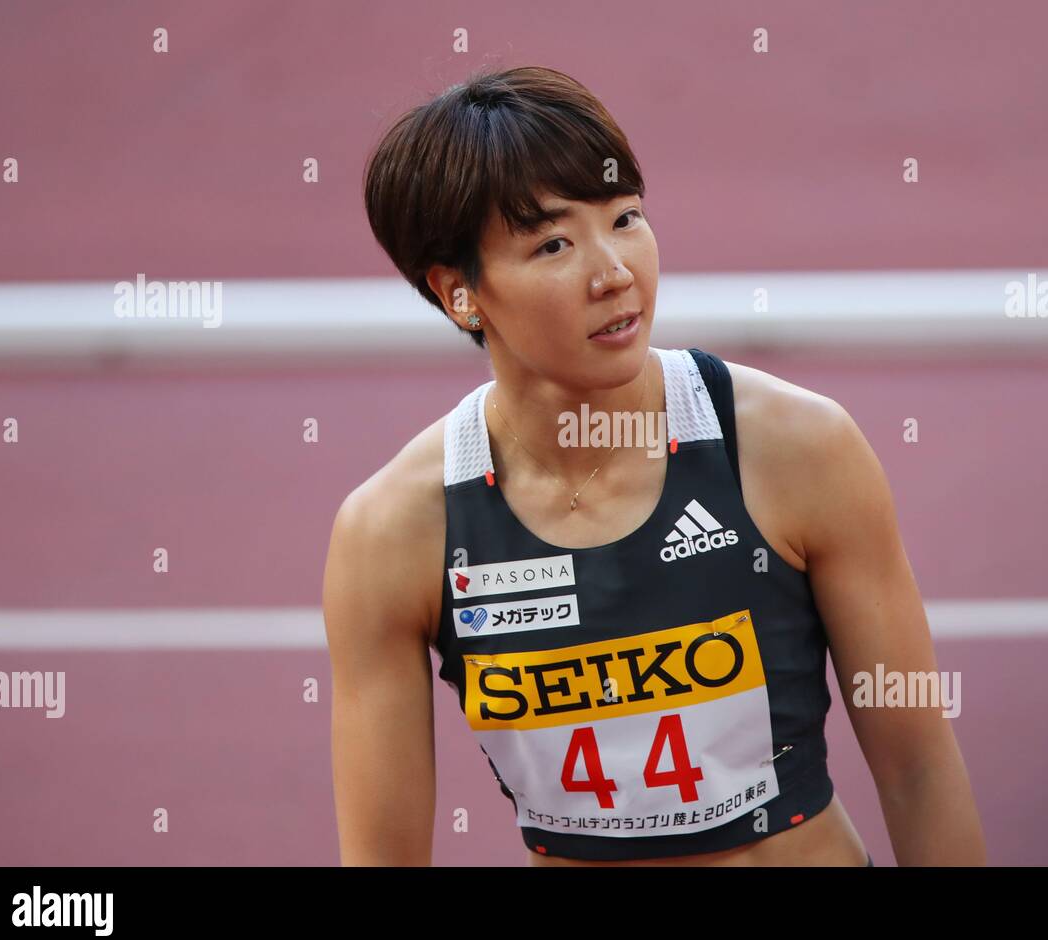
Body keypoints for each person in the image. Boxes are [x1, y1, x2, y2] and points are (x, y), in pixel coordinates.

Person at [324, 65, 985, 866]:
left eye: (626, 218)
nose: (616, 273)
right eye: (555, 244)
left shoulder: (796, 447)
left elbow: (916, 768)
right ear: (460, 292)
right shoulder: (393, 531)